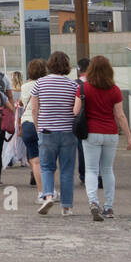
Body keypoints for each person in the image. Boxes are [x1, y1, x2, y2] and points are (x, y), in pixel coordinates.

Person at [75, 55, 131, 221]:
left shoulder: (83, 88)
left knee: (91, 170)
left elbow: (75, 111)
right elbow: (120, 115)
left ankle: (94, 202)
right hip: (110, 133)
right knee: (107, 170)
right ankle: (109, 207)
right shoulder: (114, 89)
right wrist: (129, 138)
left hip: (91, 133)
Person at [29, 50, 79, 215]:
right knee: (66, 169)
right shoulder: (73, 85)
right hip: (67, 132)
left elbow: (34, 109)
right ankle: (66, 206)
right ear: (66, 66)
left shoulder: (40, 83)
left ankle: (48, 195)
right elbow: (76, 110)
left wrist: (38, 127)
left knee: (46, 167)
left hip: (47, 130)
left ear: (50, 64)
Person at [20, 59, 46, 192]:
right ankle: (47, 189)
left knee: (34, 159)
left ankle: (41, 192)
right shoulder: (45, 85)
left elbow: (22, 103)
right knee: (45, 159)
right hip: (42, 123)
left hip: (26, 124)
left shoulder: (24, 87)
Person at [76, 56, 91, 187]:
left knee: (81, 149)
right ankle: (96, 174)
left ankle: (83, 175)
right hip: (95, 121)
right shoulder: (97, 83)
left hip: (80, 122)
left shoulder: (75, 84)